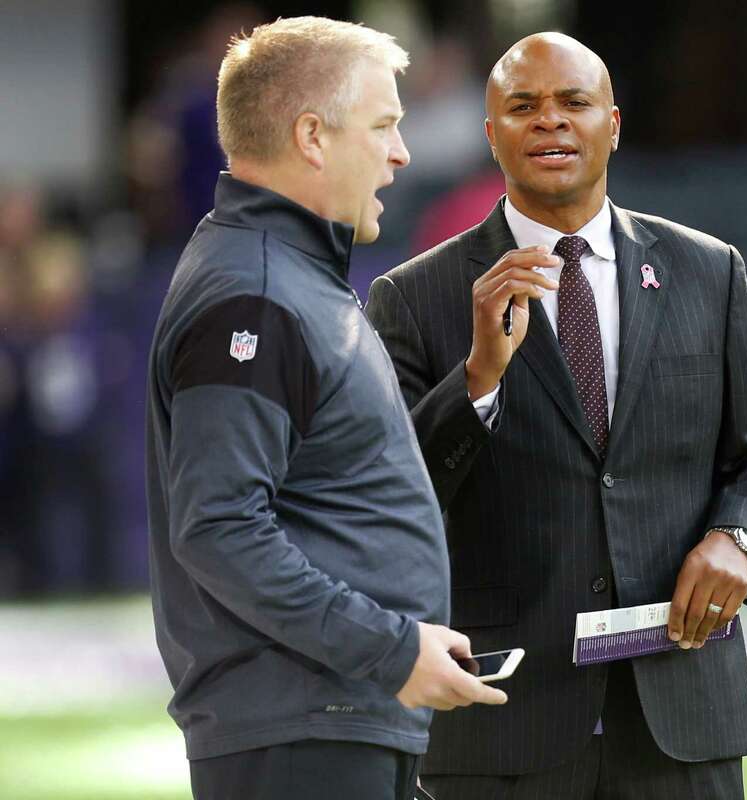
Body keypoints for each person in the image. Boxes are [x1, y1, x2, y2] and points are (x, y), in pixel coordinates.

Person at [366, 32, 747, 798]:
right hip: (502, 722)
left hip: (681, 717)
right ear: (491, 134)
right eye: (524, 106)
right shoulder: (413, 296)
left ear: (613, 124)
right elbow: (394, 498)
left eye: (574, 102)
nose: (551, 120)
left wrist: (741, 540)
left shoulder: (708, 271)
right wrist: (478, 378)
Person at [144, 17, 505, 800]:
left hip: (330, 723)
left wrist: (477, 379)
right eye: (383, 126)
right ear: (312, 136)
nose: (400, 153)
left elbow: (343, 487)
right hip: (304, 732)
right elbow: (219, 527)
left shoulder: (288, 276)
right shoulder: (258, 291)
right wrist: (390, 649)